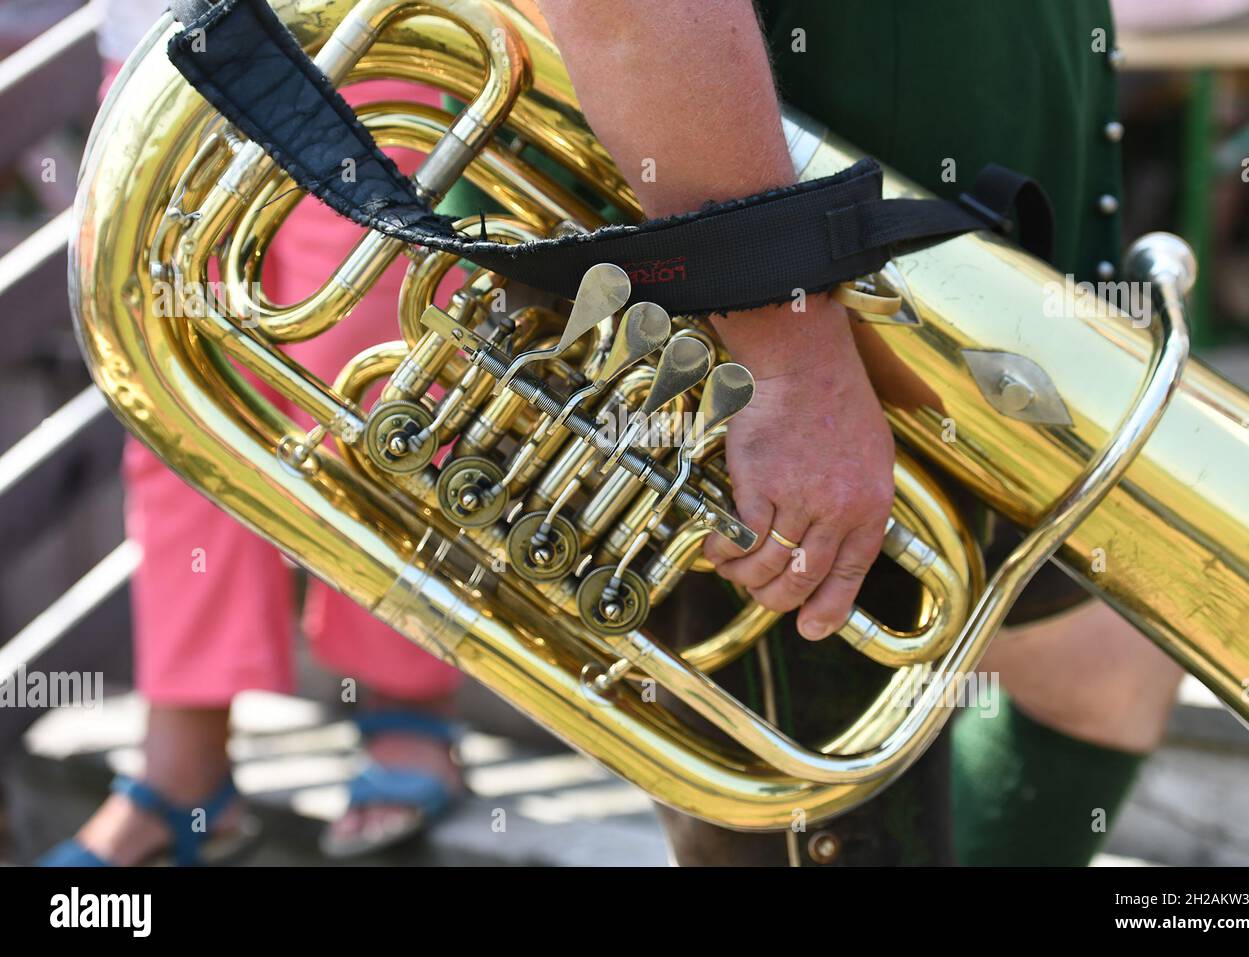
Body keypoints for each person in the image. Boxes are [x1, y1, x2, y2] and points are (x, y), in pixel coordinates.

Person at [534, 0, 1186, 865]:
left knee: (1107, 669)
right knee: (840, 825)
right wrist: (789, 356)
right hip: (796, 339)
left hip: (992, 320)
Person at [40, 0, 473, 866]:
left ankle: (407, 700)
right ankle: (185, 761)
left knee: (376, 377)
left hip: (360, 40)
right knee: (169, 405)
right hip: (159, 53)